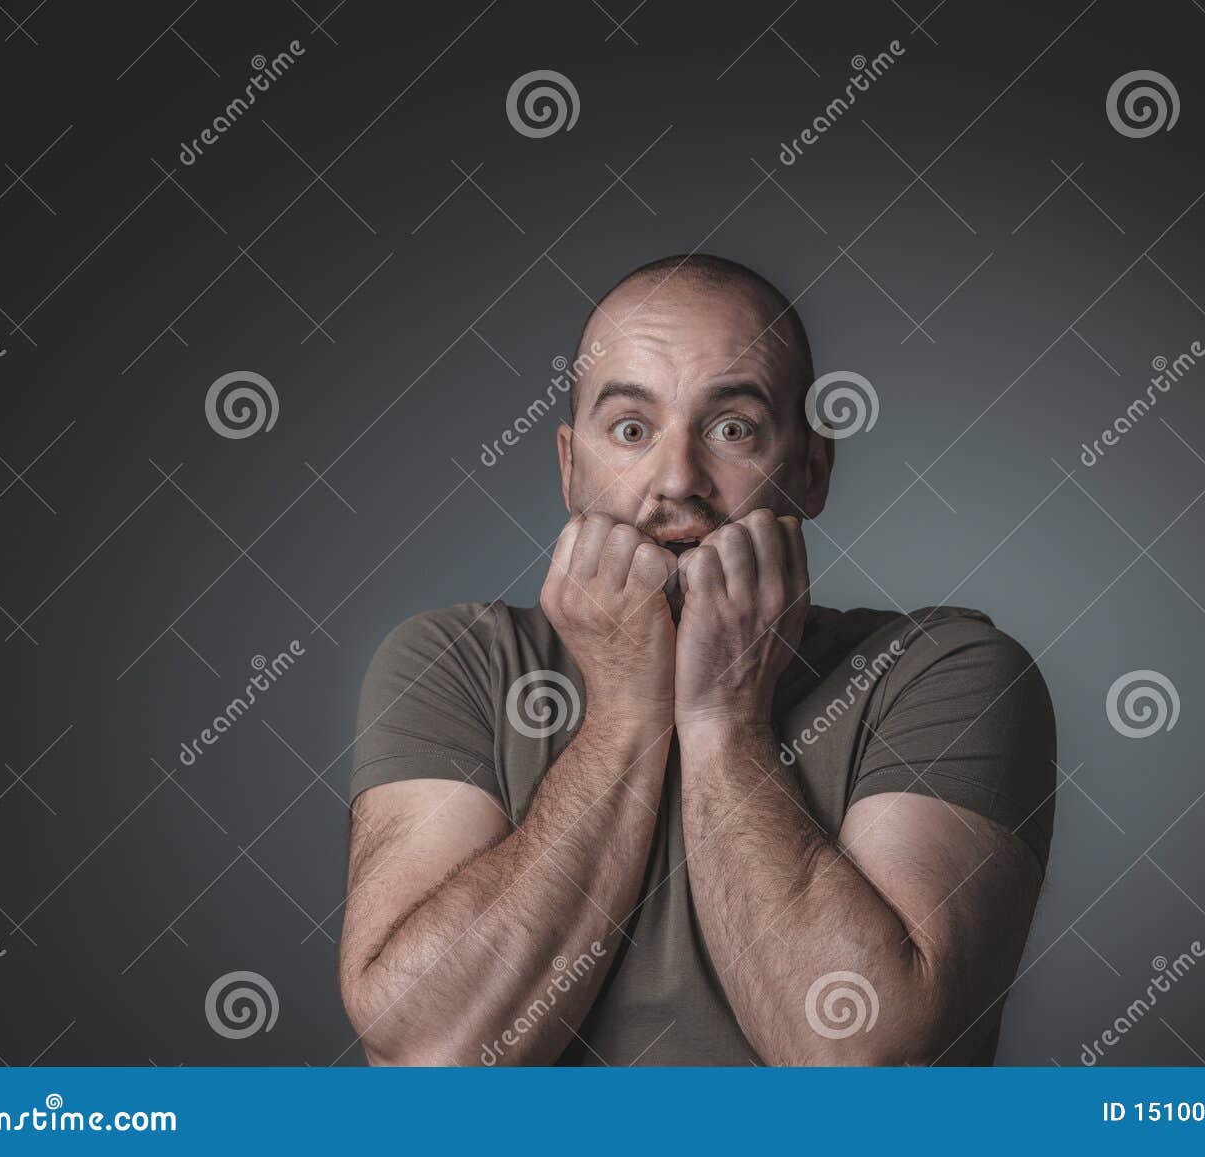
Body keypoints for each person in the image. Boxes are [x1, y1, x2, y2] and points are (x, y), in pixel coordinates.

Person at [336, 254, 1055, 1065]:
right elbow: (432, 1058)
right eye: (632, 430)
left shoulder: (944, 670)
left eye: (732, 429)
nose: (678, 481)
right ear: (572, 468)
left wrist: (722, 722)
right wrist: (624, 718)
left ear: (813, 468)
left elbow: (864, 1066)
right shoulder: (457, 664)